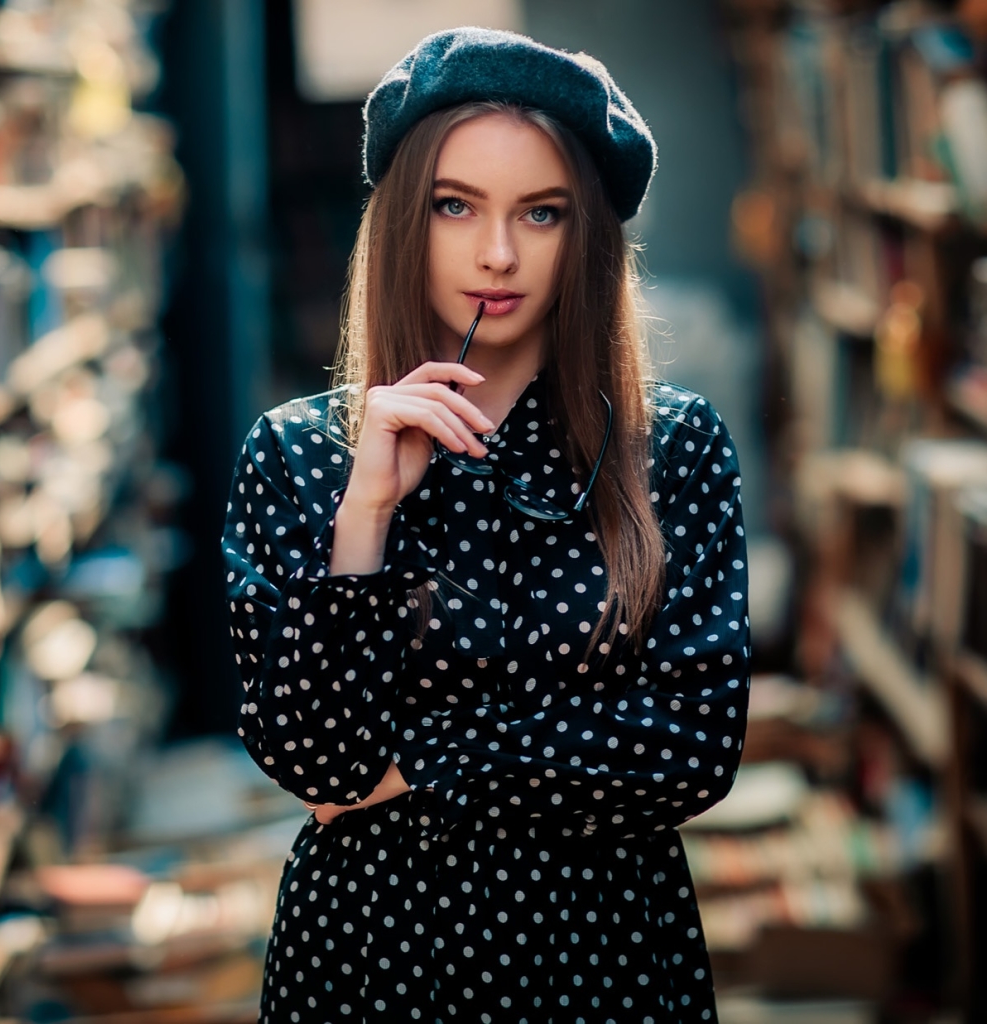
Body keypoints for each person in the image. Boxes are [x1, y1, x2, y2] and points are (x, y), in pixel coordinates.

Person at [222, 25, 750, 1024]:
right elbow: (320, 771)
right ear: (400, 220)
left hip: (607, 959)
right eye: (454, 204)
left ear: (583, 235)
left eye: (540, 213)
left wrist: (423, 763)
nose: (497, 253)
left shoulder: (671, 449)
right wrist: (366, 512)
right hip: (371, 962)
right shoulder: (298, 457)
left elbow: (688, 750)